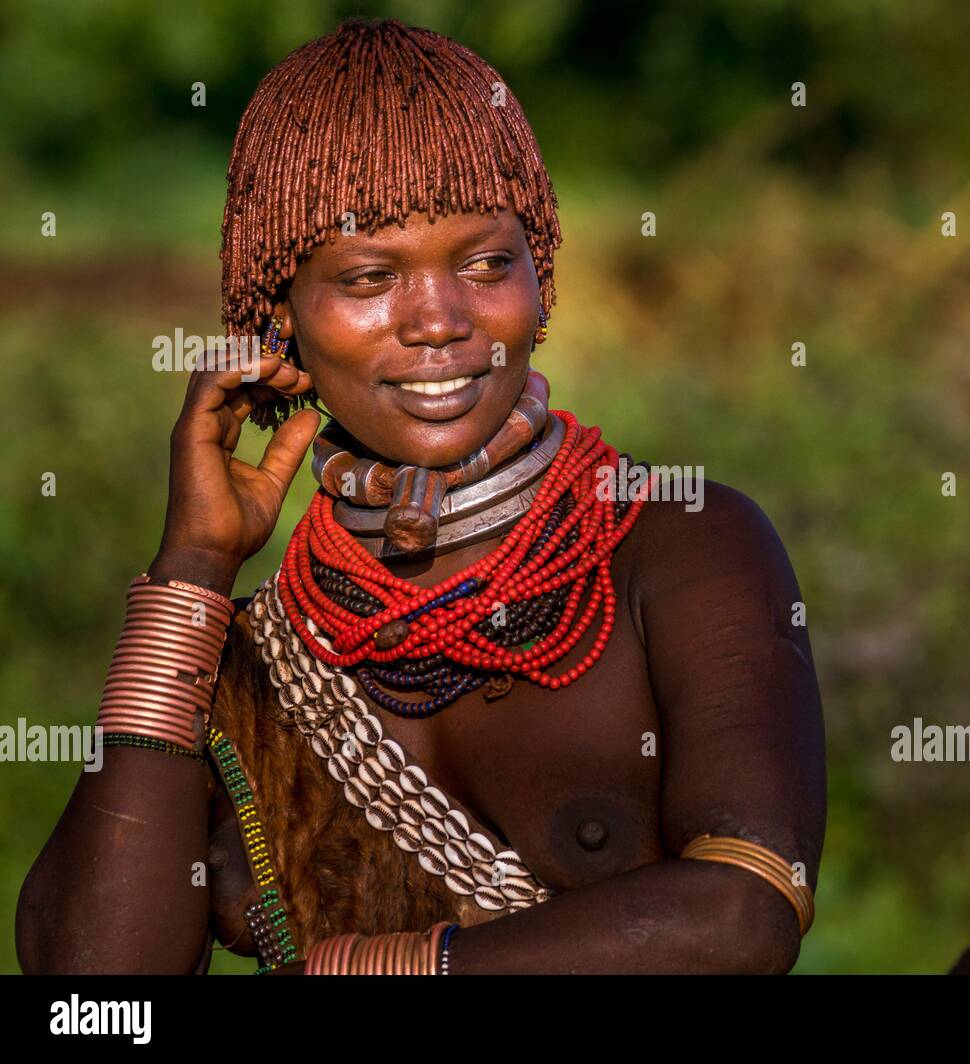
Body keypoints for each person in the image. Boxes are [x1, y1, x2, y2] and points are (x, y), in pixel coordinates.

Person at [16, 18, 826, 975]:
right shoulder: (245, 662)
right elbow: (96, 996)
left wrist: (386, 969)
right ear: (276, 316)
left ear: (542, 278)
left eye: (487, 264)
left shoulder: (678, 545)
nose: (441, 321)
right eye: (369, 278)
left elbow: (745, 915)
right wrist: (192, 570)